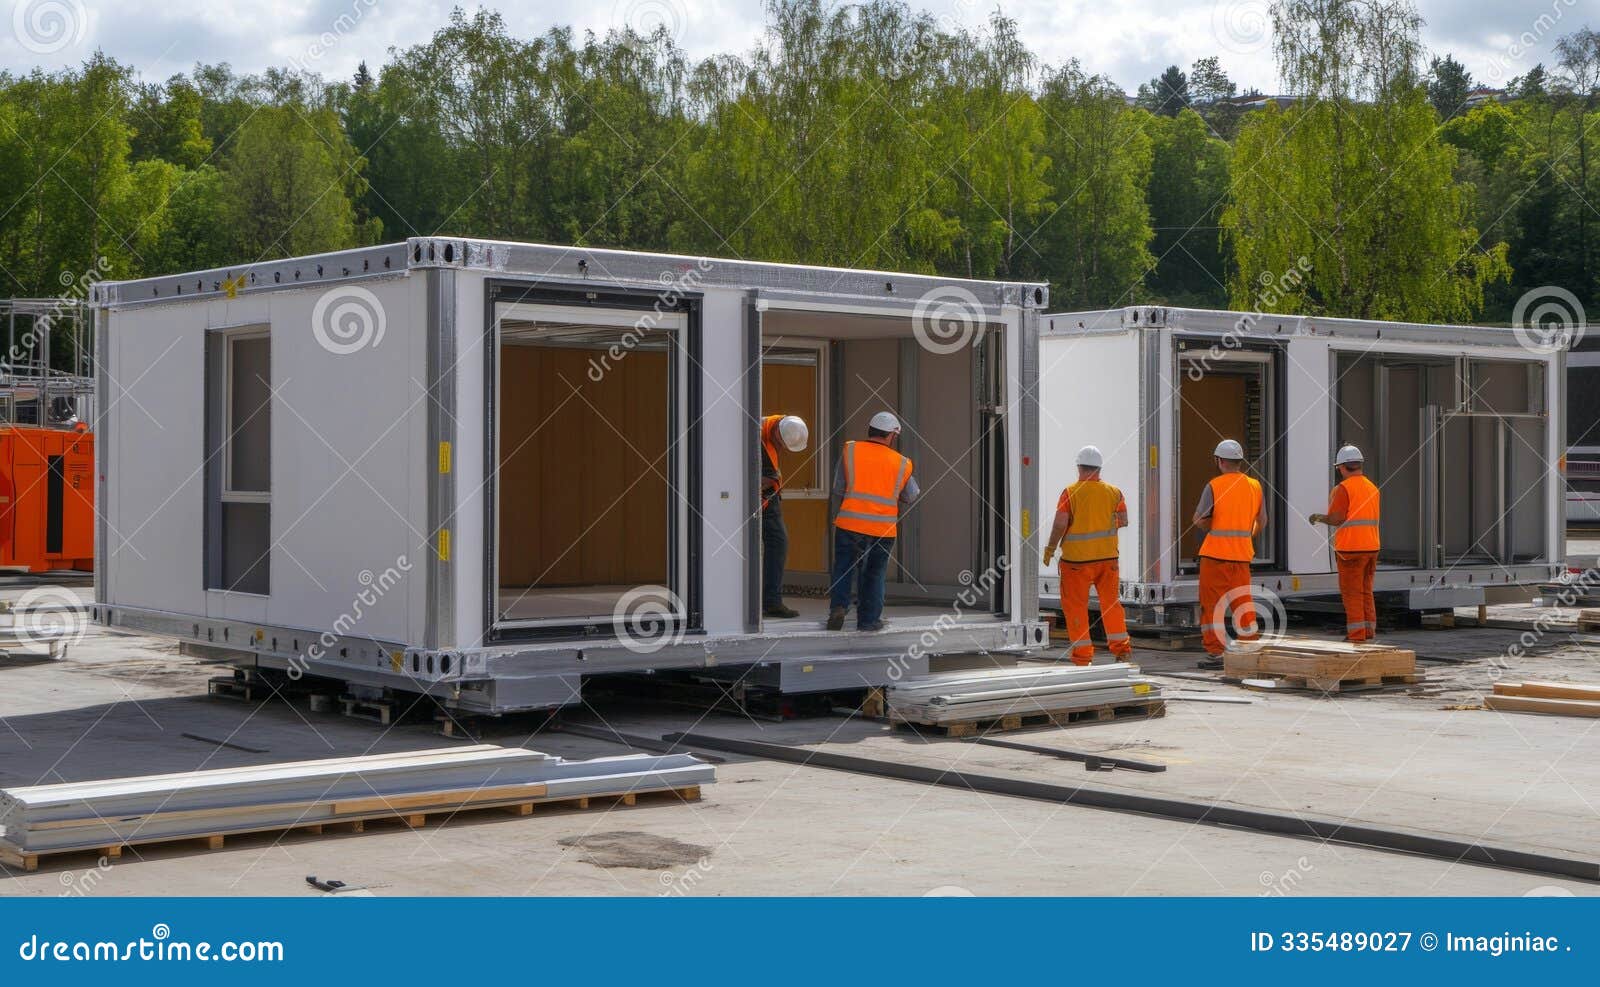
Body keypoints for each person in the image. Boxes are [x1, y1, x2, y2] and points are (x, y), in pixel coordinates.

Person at [827, 411, 918, 632]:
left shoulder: (851, 451)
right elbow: (911, 494)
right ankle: (868, 621)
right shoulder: (902, 463)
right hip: (882, 529)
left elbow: (838, 487)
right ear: (892, 436)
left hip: (849, 523)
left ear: (870, 431)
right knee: (874, 574)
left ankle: (839, 607)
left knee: (843, 567)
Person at [1042, 445, 1132, 665]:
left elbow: (1059, 524)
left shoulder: (1070, 492)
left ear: (1079, 467)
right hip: (1108, 560)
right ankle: (1122, 651)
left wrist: (1050, 549)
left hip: (1076, 563)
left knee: (1076, 608)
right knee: (1111, 605)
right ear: (1099, 468)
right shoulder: (1114, 492)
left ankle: (1083, 659)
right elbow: (1123, 520)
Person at [1193, 438, 1267, 668]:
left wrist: (1210, 525)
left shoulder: (1214, 485)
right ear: (1239, 461)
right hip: (1242, 557)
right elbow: (1262, 520)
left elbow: (1199, 519)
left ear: (1219, 461)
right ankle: (1247, 649)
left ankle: (1216, 652)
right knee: (1243, 604)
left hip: (1215, 557)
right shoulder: (1255, 486)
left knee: (1212, 606)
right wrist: (1245, 537)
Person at [1310, 445, 1381, 642]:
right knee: (1366, 591)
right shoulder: (1372, 487)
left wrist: (1318, 517)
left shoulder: (1344, 488)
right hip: (1372, 547)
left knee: (1352, 594)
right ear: (1359, 465)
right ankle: (1368, 631)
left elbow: (1337, 518)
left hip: (1351, 549)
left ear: (1341, 467)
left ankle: (1356, 635)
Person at [759, 414, 810, 618]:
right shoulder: (756, 433)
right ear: (777, 433)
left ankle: (771, 601)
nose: (781, 448)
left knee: (778, 543)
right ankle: (770, 601)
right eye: (781, 444)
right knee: (777, 542)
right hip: (758, 500)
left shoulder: (774, 427)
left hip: (767, 499)